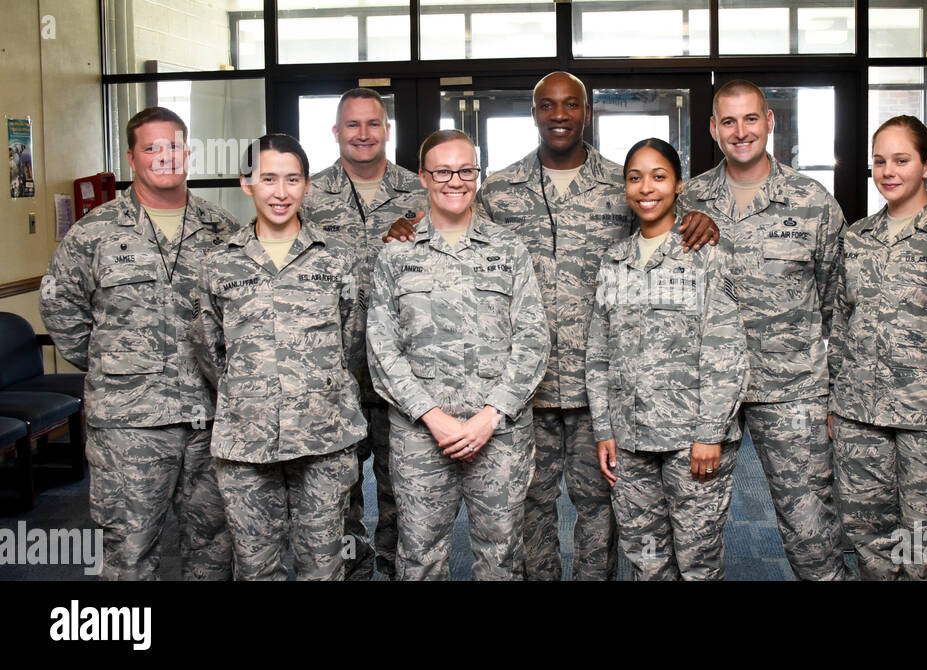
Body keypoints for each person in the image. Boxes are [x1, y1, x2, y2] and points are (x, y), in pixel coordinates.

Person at [385, 72, 719, 581]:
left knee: (600, 510)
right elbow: (452, 215)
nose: (559, 115)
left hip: (599, 390)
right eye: (547, 105)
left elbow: (661, 218)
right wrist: (406, 224)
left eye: (571, 105)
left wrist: (700, 218)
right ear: (534, 113)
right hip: (523, 393)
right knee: (528, 511)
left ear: (587, 111)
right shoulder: (499, 188)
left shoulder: (622, 183)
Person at [40, 106, 235, 581]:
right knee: (129, 553)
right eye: (151, 148)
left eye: (174, 146)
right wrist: (115, 365)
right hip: (128, 425)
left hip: (211, 420)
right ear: (131, 158)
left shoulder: (223, 230)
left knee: (214, 552)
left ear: (188, 152)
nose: (164, 157)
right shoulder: (94, 232)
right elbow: (61, 308)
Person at [678, 79, 849, 580]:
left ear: (769, 121)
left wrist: (837, 396)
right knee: (695, 531)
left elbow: (839, 304)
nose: (741, 131)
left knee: (811, 531)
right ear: (713, 129)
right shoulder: (687, 199)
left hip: (792, 390)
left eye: (751, 118)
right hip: (707, 394)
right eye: (728, 121)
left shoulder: (811, 200)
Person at [367, 130, 548, 580]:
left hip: (499, 433)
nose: (455, 181)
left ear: (477, 175)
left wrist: (490, 416)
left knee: (502, 558)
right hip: (420, 435)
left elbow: (532, 340)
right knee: (420, 558)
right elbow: (381, 347)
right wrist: (433, 417)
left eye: (466, 170)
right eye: (443, 171)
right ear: (423, 177)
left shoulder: (508, 250)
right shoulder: (396, 255)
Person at [193, 133, 367, 580]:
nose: (281, 192)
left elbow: (352, 342)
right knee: (256, 568)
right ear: (246, 183)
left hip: (324, 436)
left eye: (292, 179)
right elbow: (211, 349)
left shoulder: (337, 258)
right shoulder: (219, 264)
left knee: (324, 565)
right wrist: (253, 390)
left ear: (307, 184)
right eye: (268, 179)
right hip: (246, 440)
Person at [587, 138, 748, 580]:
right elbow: (598, 352)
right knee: (646, 560)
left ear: (678, 185)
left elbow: (725, 349)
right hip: (630, 439)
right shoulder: (614, 261)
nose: (646, 188)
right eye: (635, 178)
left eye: (659, 177)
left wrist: (710, 433)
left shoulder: (706, 254)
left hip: (690, 441)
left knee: (697, 562)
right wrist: (604, 429)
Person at [302, 87, 425, 580]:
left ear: (386, 130)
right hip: (333, 373)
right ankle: (353, 572)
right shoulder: (307, 194)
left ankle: (396, 568)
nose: (363, 133)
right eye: (352, 124)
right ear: (336, 131)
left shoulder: (421, 191)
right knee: (336, 491)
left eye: (373, 123)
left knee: (404, 489)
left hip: (404, 372)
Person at [827, 116, 927, 580]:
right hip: (859, 412)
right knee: (866, 532)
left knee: (924, 541)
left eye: (901, 160)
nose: (888, 171)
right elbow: (842, 322)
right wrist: (834, 399)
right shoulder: (858, 237)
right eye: (880, 161)